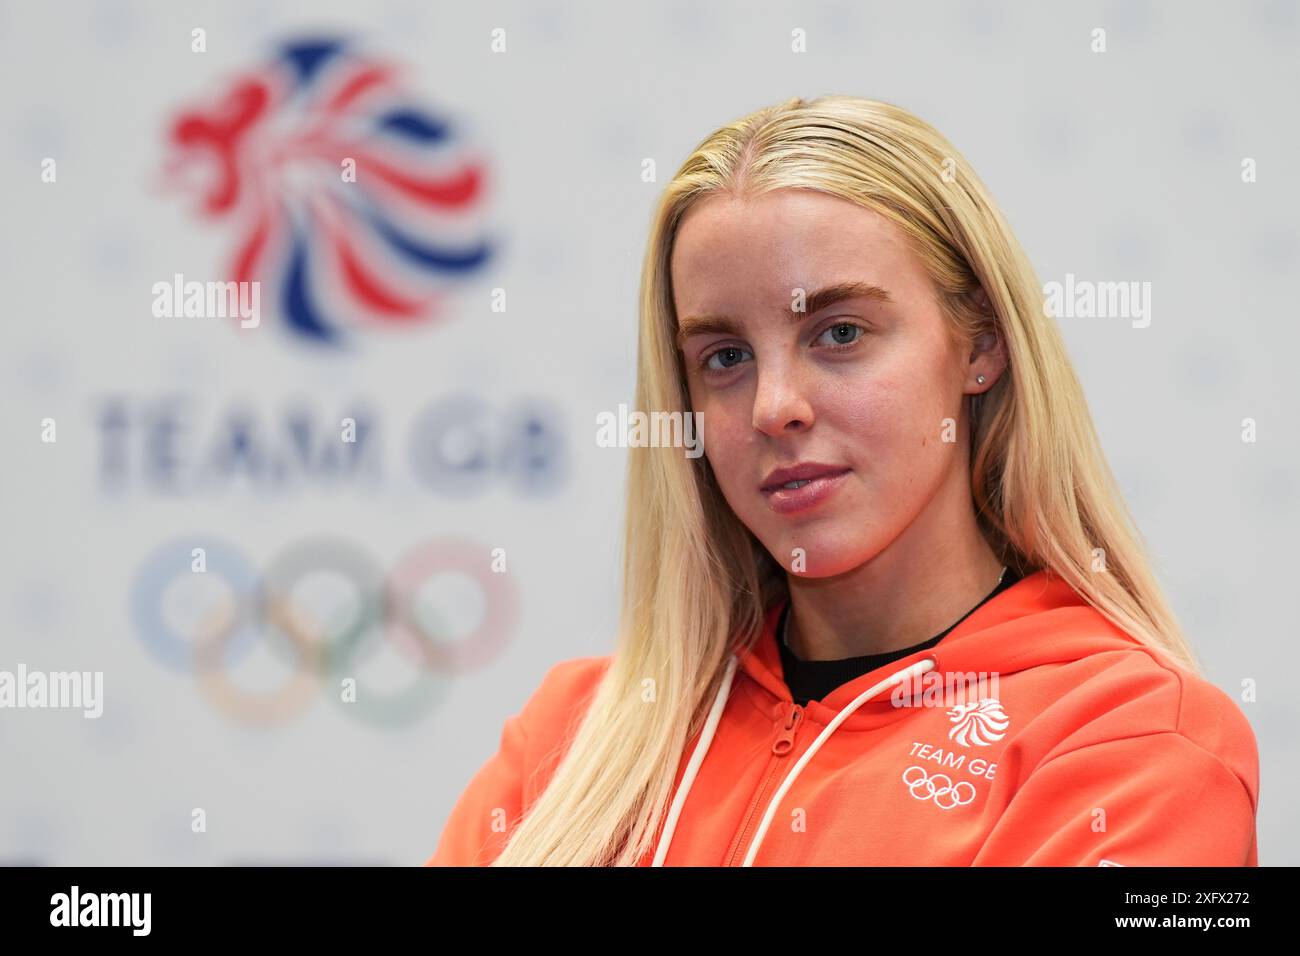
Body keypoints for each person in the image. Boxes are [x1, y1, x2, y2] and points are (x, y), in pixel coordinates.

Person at [425, 95, 1259, 867]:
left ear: (980, 346)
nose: (773, 407)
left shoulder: (1135, 742)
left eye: (841, 333)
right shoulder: (576, 737)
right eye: (724, 357)